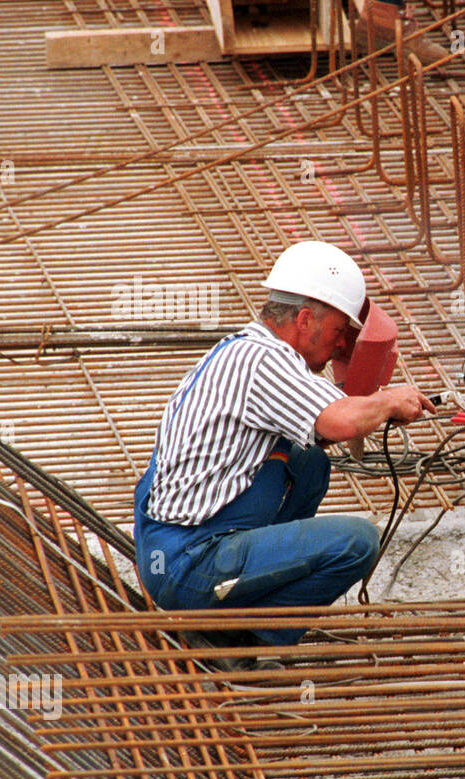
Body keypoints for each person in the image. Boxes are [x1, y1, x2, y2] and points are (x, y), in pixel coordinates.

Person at [134, 240, 435, 669]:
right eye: (336, 334)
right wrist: (388, 401)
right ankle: (244, 647)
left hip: (172, 549)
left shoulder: (243, 350)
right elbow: (339, 421)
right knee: (357, 541)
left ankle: (229, 617)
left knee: (308, 463)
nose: (337, 349)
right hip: (187, 561)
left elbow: (322, 431)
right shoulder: (265, 361)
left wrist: (368, 399)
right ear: (305, 319)